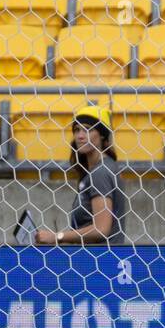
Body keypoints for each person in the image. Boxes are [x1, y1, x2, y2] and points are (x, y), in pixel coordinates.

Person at [34, 104, 127, 245]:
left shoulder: (100, 172)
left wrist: (57, 237)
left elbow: (101, 229)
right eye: (77, 130)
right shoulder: (100, 169)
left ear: (102, 134)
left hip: (101, 260)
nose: (80, 136)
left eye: (88, 130)